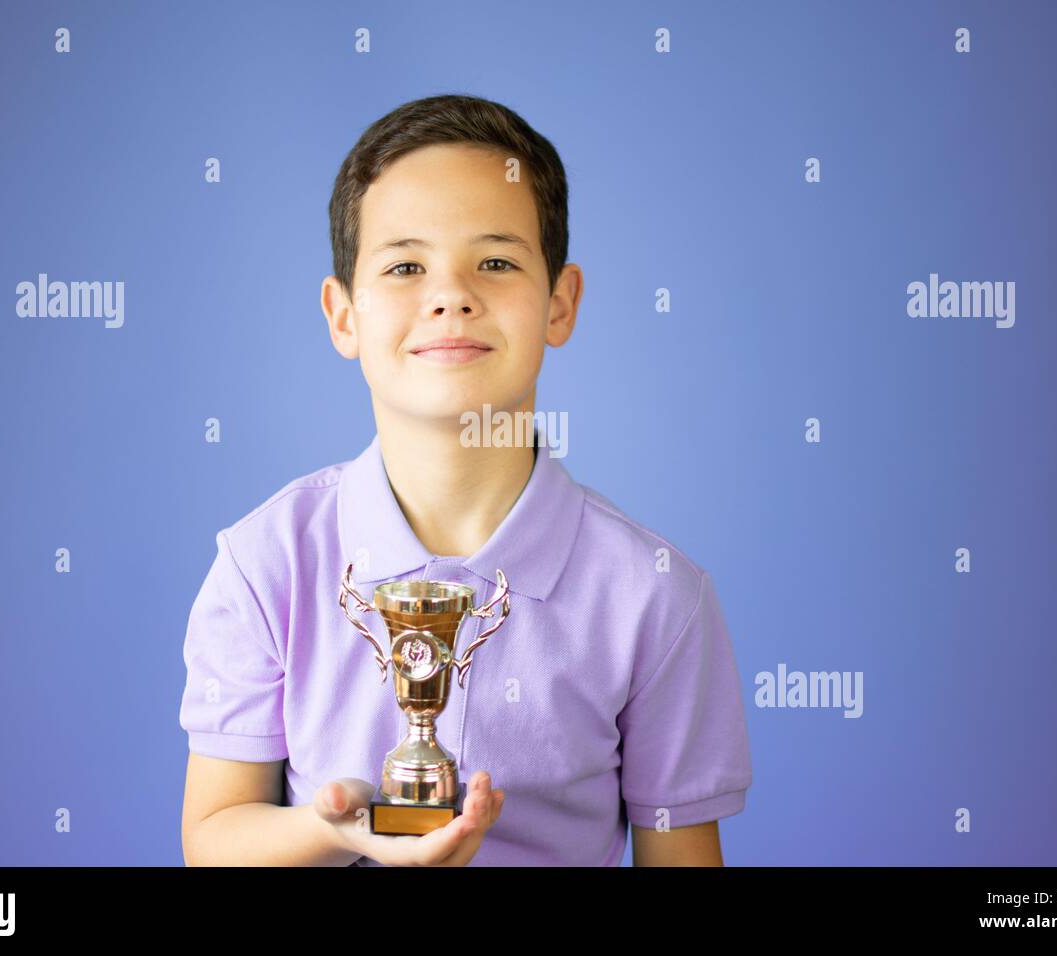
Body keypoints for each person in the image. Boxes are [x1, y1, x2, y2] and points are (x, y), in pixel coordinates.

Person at [178, 94, 752, 866]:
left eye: (496, 261)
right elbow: (212, 839)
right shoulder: (265, 564)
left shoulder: (656, 597)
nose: (451, 295)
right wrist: (335, 829)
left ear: (561, 302)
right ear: (342, 314)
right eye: (406, 266)